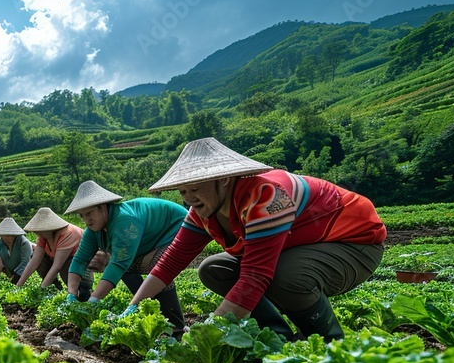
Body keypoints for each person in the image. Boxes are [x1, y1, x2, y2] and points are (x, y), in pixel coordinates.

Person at [126, 137, 387, 342]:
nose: (188, 199)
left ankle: (329, 342)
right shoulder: (203, 210)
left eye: (195, 189)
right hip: (303, 245)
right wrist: (132, 308)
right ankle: (276, 334)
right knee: (214, 269)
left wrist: (207, 334)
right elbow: (170, 262)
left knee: (285, 275)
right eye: (183, 191)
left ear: (224, 179)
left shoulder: (267, 196)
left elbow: (255, 275)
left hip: (354, 243)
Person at [64, 180, 188, 338]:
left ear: (102, 207)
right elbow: (80, 260)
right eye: (82, 216)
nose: (86, 219)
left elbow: (117, 264)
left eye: (89, 213)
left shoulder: (124, 221)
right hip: (152, 240)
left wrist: (93, 300)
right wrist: (71, 293)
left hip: (177, 228)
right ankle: (147, 305)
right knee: (129, 268)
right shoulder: (93, 230)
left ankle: (176, 327)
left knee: (158, 266)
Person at [15, 207, 91, 298]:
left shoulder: (68, 233)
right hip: (59, 259)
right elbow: (35, 261)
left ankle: (81, 293)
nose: (36, 232)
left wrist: (42, 288)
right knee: (40, 259)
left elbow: (57, 266)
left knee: (67, 271)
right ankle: (53, 288)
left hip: (79, 262)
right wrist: (19, 285)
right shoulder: (44, 236)